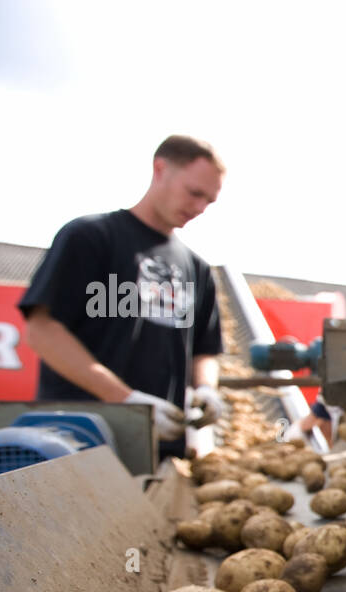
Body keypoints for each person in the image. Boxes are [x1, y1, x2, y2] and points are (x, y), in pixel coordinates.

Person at [19, 134, 228, 461]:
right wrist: (126, 401)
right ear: (161, 169)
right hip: (78, 444)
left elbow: (204, 351)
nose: (199, 208)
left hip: (159, 449)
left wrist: (205, 389)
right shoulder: (90, 237)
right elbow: (42, 331)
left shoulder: (198, 270)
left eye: (209, 201)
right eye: (194, 193)